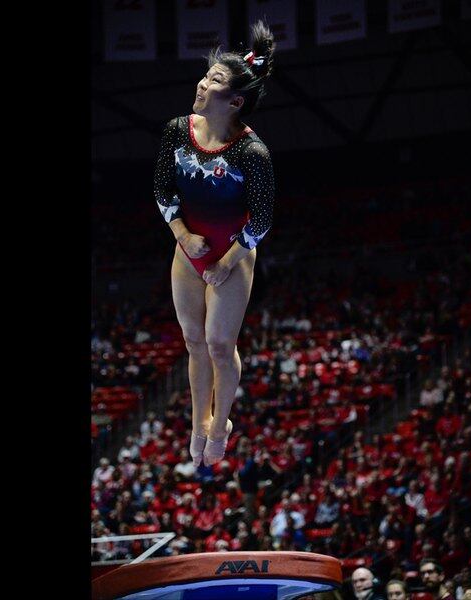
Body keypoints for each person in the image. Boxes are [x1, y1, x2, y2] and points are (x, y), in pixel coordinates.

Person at [153, 20, 277, 468]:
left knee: (220, 345)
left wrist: (228, 261)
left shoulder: (251, 153)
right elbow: (163, 191)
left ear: (235, 101)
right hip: (188, 251)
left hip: (232, 254)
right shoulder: (176, 131)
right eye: (206, 76)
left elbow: (262, 220)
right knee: (193, 342)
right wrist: (183, 235)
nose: (203, 84)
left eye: (215, 81)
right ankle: (197, 424)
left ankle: (220, 422)